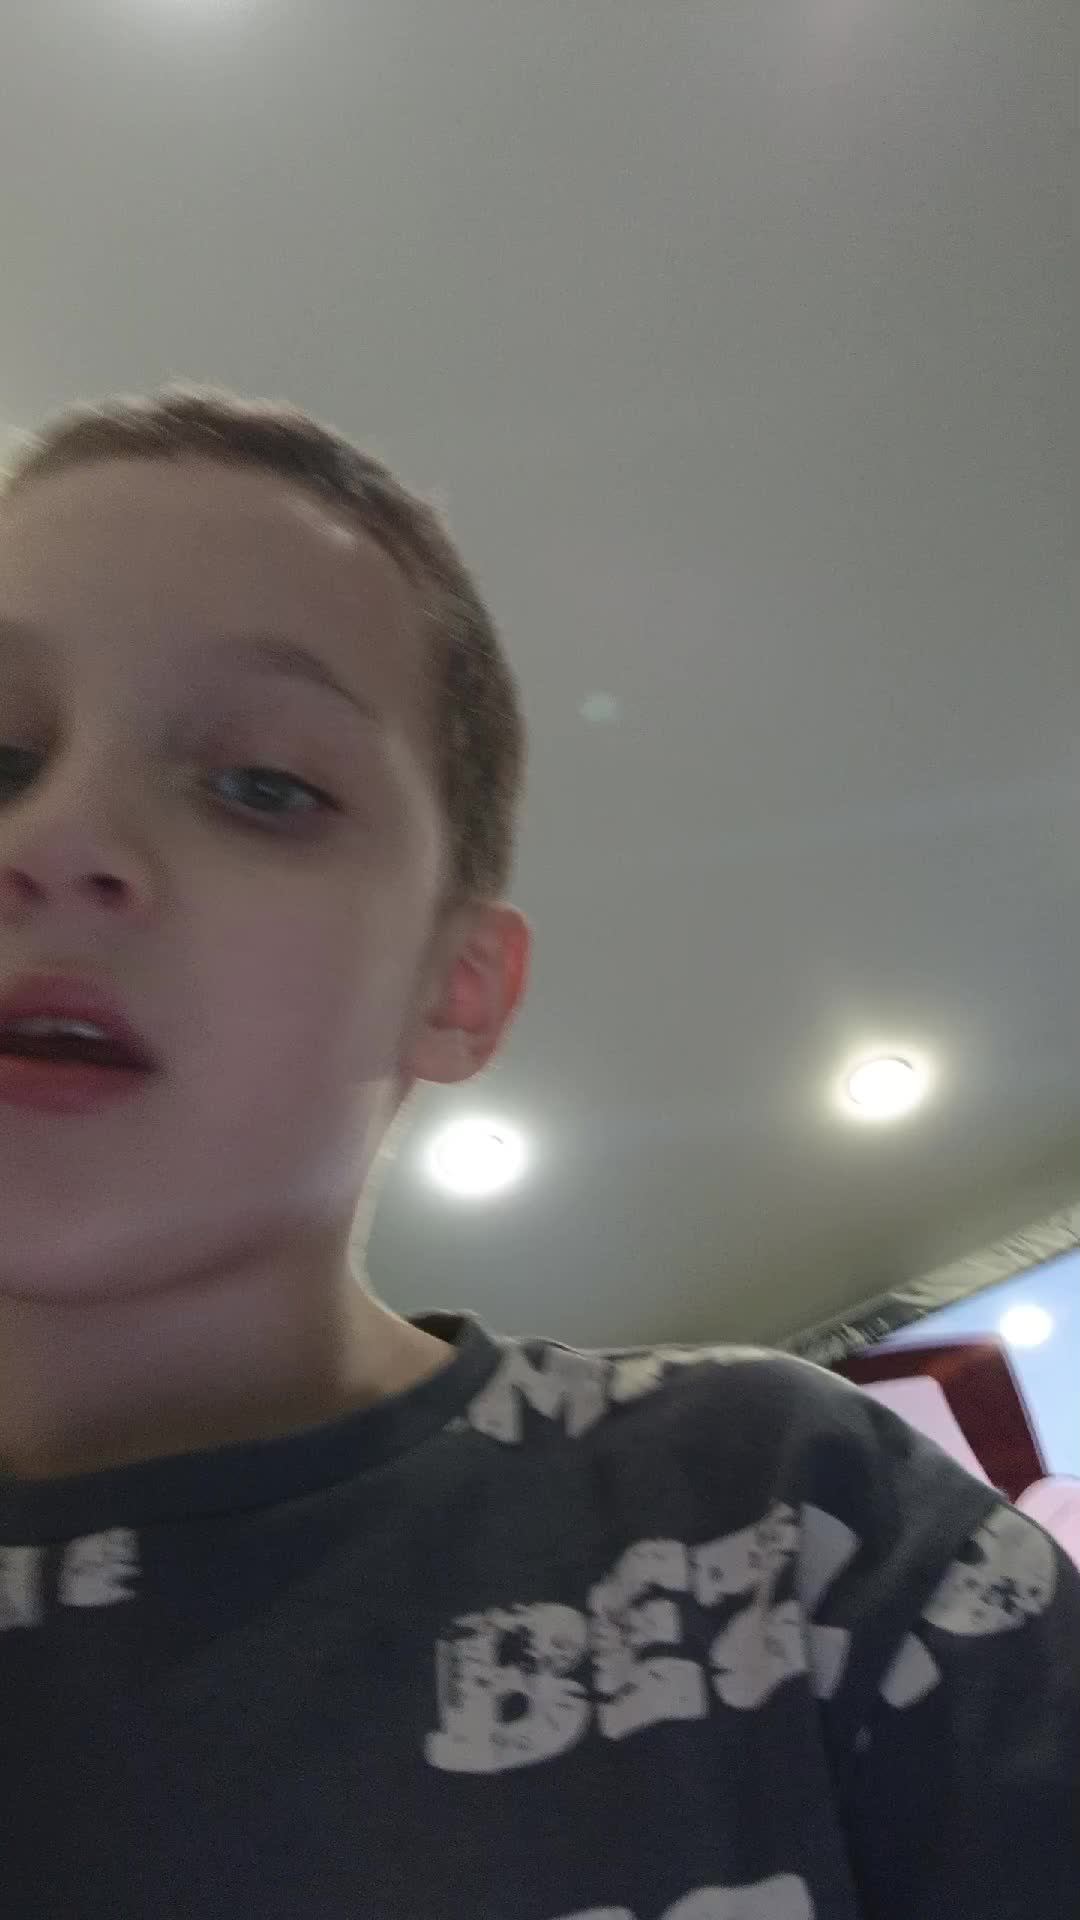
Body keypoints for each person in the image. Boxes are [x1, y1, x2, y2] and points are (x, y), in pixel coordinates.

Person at [0, 387, 1075, 1920]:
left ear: (457, 989)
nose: (52, 839)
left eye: (262, 787)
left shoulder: (782, 1524)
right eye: (1, 757)